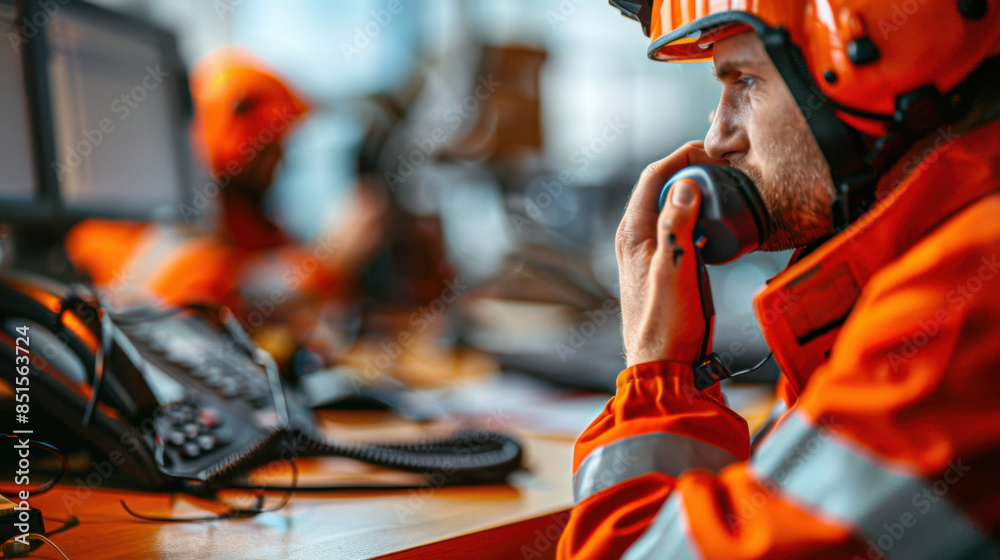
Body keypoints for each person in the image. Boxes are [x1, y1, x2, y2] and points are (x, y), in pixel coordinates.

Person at [558, 1, 1000, 558]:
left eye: (745, 79)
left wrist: (659, 374)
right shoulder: (924, 259)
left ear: (869, 67)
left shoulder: (954, 315)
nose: (717, 139)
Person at [66, 49, 387, 315]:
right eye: (272, 149)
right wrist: (333, 262)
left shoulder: (246, 219)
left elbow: (272, 272)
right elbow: (224, 293)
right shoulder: (148, 226)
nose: (283, 162)